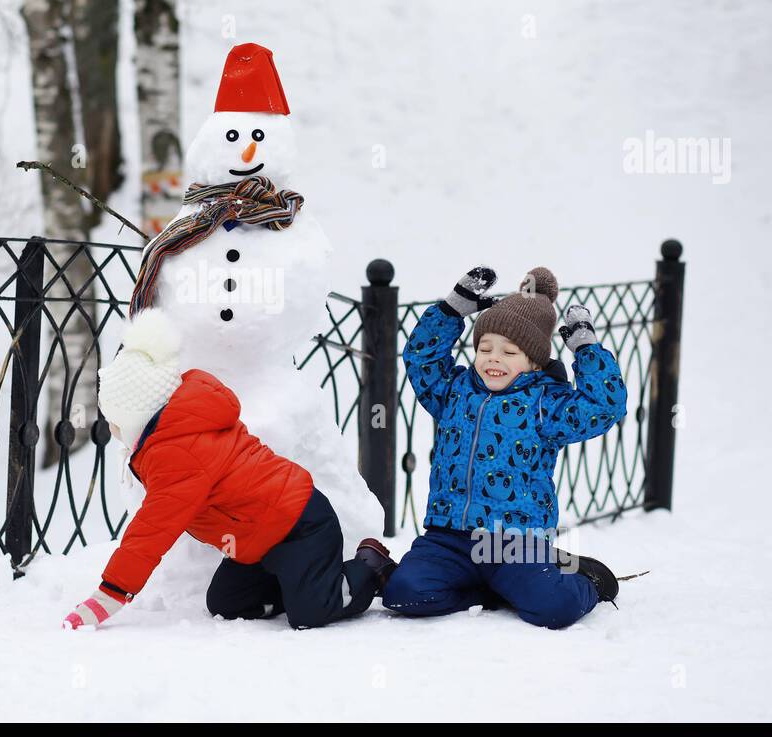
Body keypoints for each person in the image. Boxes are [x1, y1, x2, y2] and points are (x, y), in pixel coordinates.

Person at [63, 309, 396, 631]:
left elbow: (151, 531)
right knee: (227, 603)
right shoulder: (175, 434)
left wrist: (109, 595)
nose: (112, 429)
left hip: (300, 527)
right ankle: (298, 587)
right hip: (257, 544)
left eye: (114, 420)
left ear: (136, 416)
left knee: (310, 614)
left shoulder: (178, 452)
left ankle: (367, 567)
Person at [382, 265, 628, 628]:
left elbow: (604, 407)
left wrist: (587, 349)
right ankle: (491, 592)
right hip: (449, 538)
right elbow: (421, 360)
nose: (494, 358)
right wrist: (452, 310)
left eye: (509, 352)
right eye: (485, 348)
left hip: (514, 543)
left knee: (554, 608)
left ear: (533, 362)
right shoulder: (455, 392)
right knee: (403, 593)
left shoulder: (548, 405)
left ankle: (581, 580)